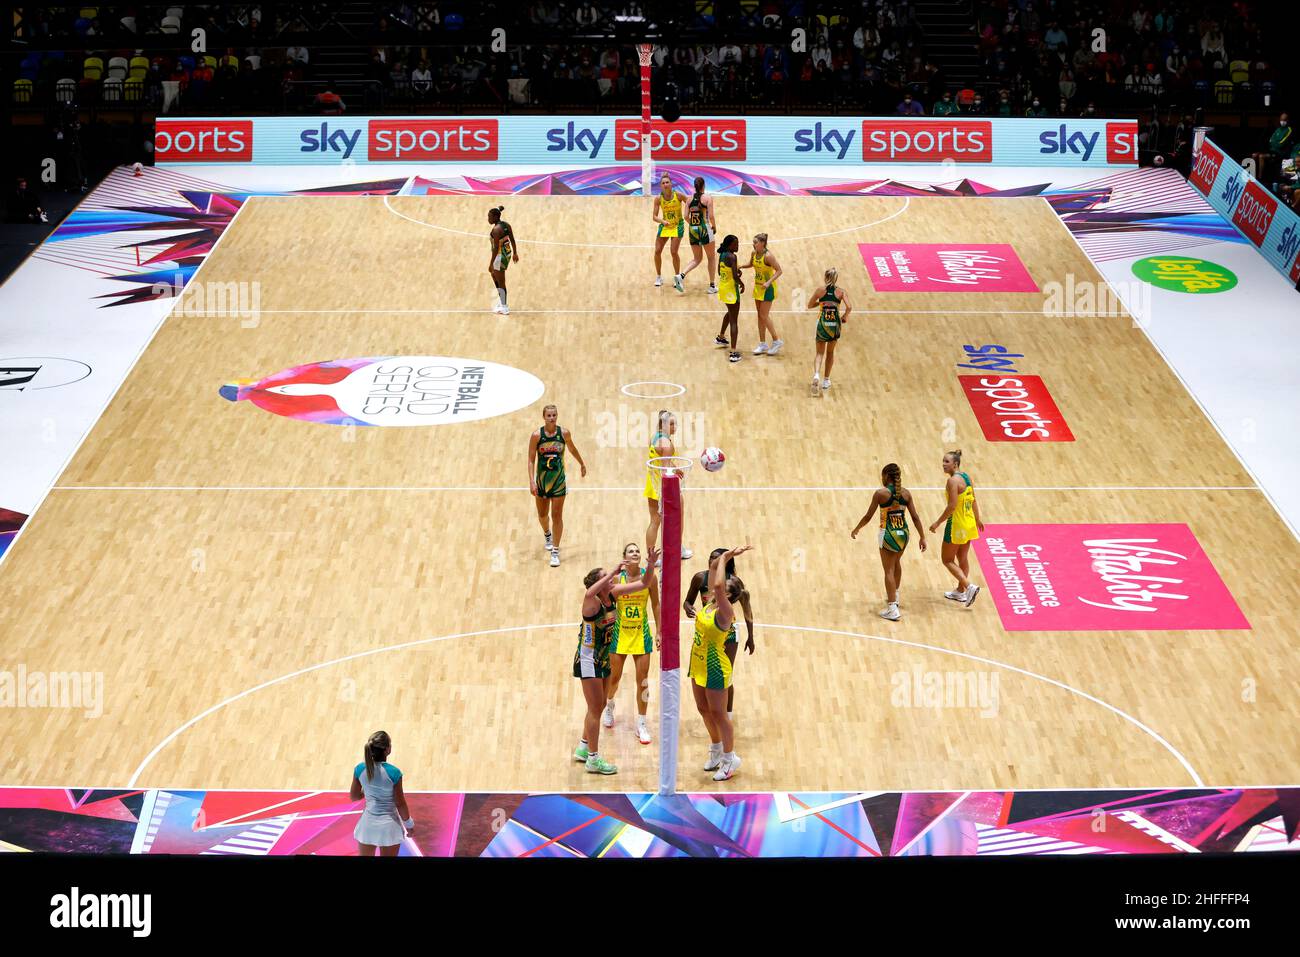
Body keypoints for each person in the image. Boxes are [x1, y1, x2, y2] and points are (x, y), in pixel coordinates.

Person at [574, 551, 659, 774]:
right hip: (588, 659)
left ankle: (583, 748)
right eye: (607, 577)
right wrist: (612, 571)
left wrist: (650, 564)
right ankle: (593, 759)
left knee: (600, 706)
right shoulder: (591, 601)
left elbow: (644, 583)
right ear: (599, 582)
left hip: (601, 657)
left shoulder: (612, 593)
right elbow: (590, 590)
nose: (613, 578)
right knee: (595, 709)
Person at [690, 545, 752, 781]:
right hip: (697, 660)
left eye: (723, 587)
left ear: (728, 596)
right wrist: (724, 558)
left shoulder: (724, 613)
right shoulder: (711, 603)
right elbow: (713, 572)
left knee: (719, 714)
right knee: (703, 709)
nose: (717, 585)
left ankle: (729, 759)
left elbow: (716, 583)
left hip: (715, 666)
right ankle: (715, 749)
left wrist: (727, 557)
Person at [684, 547, 754, 725]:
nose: (711, 561)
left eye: (716, 558)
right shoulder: (700, 578)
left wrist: (751, 636)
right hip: (708, 631)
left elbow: (746, 607)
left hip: (728, 632)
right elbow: (687, 601)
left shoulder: (733, 582)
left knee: (725, 676)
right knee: (705, 675)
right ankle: (713, 712)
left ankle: (726, 716)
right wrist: (688, 608)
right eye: (710, 558)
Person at [851, 464, 928, 620]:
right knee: (896, 564)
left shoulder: (881, 494)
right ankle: (896, 597)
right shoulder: (906, 493)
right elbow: (915, 517)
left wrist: (857, 529)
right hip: (904, 534)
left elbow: (868, 516)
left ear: (886, 476)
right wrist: (922, 536)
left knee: (888, 571)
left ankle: (892, 607)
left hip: (888, 534)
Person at [603, 542, 660, 744]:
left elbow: (655, 603)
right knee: (614, 678)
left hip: (641, 634)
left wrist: (659, 631)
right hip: (620, 634)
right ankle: (609, 705)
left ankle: (642, 723)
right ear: (625, 557)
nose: (635, 553)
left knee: (643, 680)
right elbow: (608, 604)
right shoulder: (618, 579)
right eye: (631, 551)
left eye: (637, 550)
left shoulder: (650, 576)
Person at [528, 403, 587, 567]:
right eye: (549, 415)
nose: (552, 418)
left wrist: (581, 463)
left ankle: (555, 550)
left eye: (554, 415)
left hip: (559, 481)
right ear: (544, 417)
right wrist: (531, 481)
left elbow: (573, 449)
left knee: (557, 516)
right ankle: (547, 534)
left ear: (557, 416)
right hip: (541, 482)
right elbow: (531, 459)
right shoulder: (536, 436)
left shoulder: (564, 433)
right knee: (542, 515)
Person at [928, 450, 983, 607]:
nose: (943, 464)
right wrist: (978, 519)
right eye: (943, 461)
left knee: (947, 559)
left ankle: (968, 586)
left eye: (947, 462)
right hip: (969, 522)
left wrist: (937, 523)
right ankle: (960, 592)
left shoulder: (952, 482)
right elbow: (973, 500)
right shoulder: (966, 477)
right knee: (962, 557)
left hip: (956, 524)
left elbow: (951, 506)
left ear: (955, 464)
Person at [349, 731, 413, 856]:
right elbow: (400, 803)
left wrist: (368, 791)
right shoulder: (394, 773)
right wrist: (409, 824)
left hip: (367, 826)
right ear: (387, 750)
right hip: (389, 828)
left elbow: (354, 796)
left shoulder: (360, 769)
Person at [644, 410, 694, 562]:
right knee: (678, 517)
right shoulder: (667, 444)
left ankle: (652, 557)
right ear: (663, 424)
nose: (675, 427)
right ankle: (677, 548)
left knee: (654, 521)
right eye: (671, 424)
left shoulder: (655, 437)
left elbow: (662, 460)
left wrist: (674, 466)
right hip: (664, 486)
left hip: (652, 483)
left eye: (675, 423)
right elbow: (666, 469)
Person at [805, 266, 851, 394]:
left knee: (820, 353)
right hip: (834, 325)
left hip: (822, 324)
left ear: (826, 277)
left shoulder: (820, 291)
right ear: (836, 278)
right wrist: (845, 317)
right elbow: (849, 307)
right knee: (830, 353)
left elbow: (809, 305)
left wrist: (820, 303)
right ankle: (826, 380)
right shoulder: (841, 292)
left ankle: (816, 375)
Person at [739, 232, 783, 355]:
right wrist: (741, 266)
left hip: (767, 289)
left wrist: (769, 282)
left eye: (755, 242)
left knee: (764, 315)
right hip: (758, 287)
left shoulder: (768, 256)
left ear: (762, 243)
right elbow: (751, 264)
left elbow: (779, 271)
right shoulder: (754, 253)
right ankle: (762, 343)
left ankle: (776, 340)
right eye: (753, 242)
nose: (753, 244)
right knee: (760, 315)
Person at [674, 176, 718, 295]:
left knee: (697, 258)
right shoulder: (708, 198)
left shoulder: (688, 199)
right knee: (711, 257)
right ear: (704, 186)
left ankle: (681, 276)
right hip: (704, 229)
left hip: (692, 230)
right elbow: (712, 216)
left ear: (694, 186)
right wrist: (714, 226)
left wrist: (693, 225)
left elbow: (686, 217)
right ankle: (712, 285)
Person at [713, 234, 746, 362]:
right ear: (729, 245)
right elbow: (735, 277)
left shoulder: (722, 255)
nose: (737, 246)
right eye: (735, 244)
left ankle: (721, 337)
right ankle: (733, 353)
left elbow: (720, 272)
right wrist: (742, 283)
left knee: (730, 312)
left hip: (723, 287)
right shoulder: (732, 256)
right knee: (734, 320)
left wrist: (736, 272)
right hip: (731, 290)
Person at [652, 172, 686, 289]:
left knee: (673, 252)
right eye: (663, 183)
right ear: (660, 186)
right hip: (665, 225)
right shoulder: (658, 198)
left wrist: (689, 216)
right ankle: (659, 276)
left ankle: (677, 278)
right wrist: (663, 222)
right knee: (657, 251)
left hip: (678, 225)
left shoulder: (679, 195)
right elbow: (654, 217)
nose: (665, 184)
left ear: (671, 184)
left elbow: (690, 203)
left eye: (667, 182)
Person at [487, 205, 518, 315]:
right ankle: (502, 301)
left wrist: (491, 263)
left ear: (495, 217)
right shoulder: (506, 225)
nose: (488, 219)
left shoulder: (496, 230)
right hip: (507, 253)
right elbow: (513, 239)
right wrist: (515, 253)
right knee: (495, 276)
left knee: (501, 282)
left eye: (490, 217)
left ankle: (504, 307)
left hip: (499, 256)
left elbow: (495, 249)